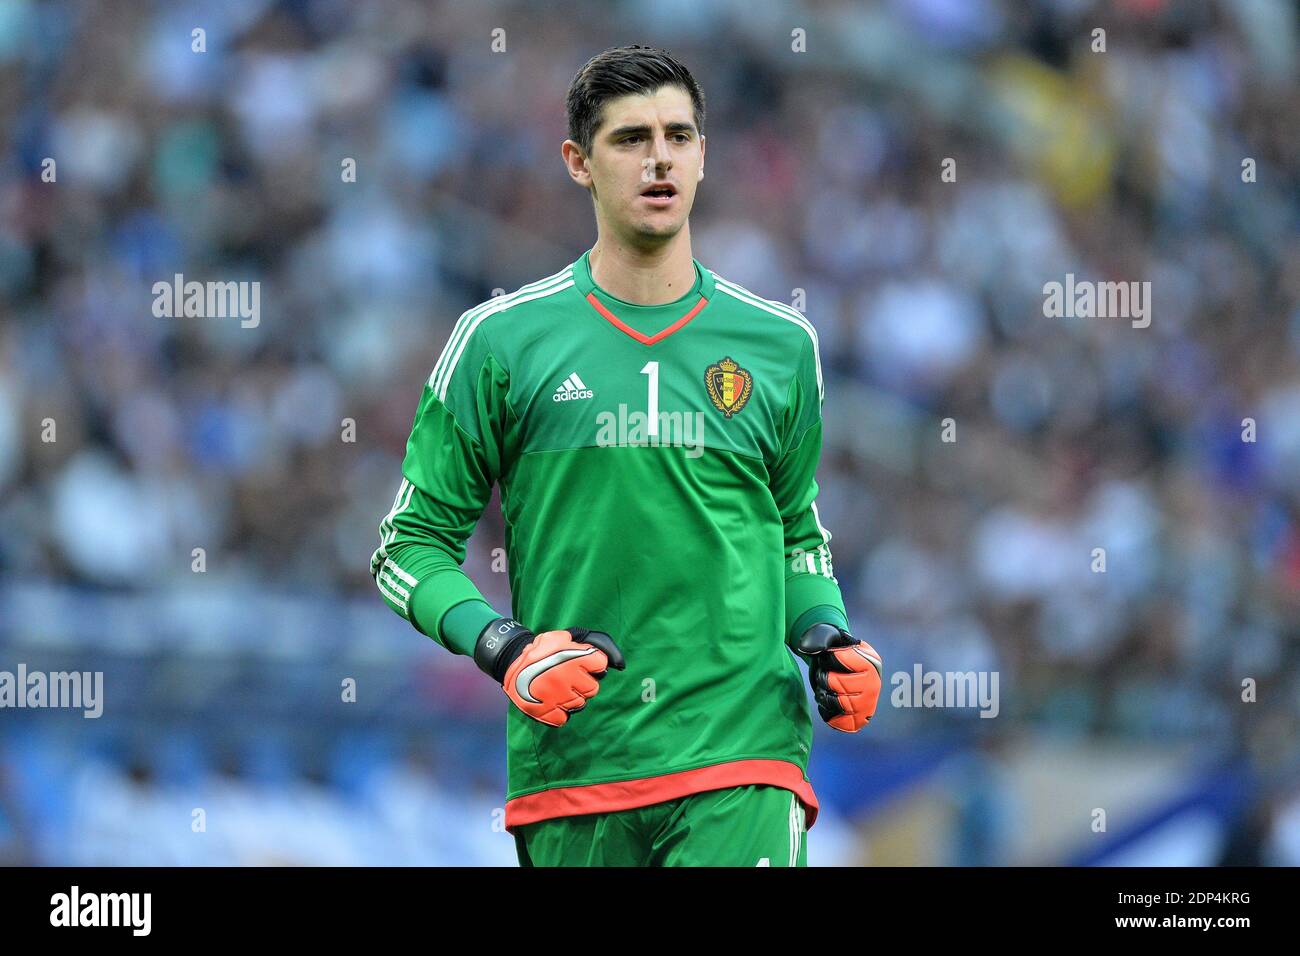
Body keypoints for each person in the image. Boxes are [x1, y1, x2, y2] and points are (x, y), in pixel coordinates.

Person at [371, 44, 882, 866]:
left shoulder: (781, 346)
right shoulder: (501, 342)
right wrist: (504, 649)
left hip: (742, 756)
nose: (659, 159)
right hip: (573, 765)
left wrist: (826, 633)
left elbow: (795, 532)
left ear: (704, 155)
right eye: (630, 138)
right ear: (578, 161)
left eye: (680, 136)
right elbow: (407, 548)